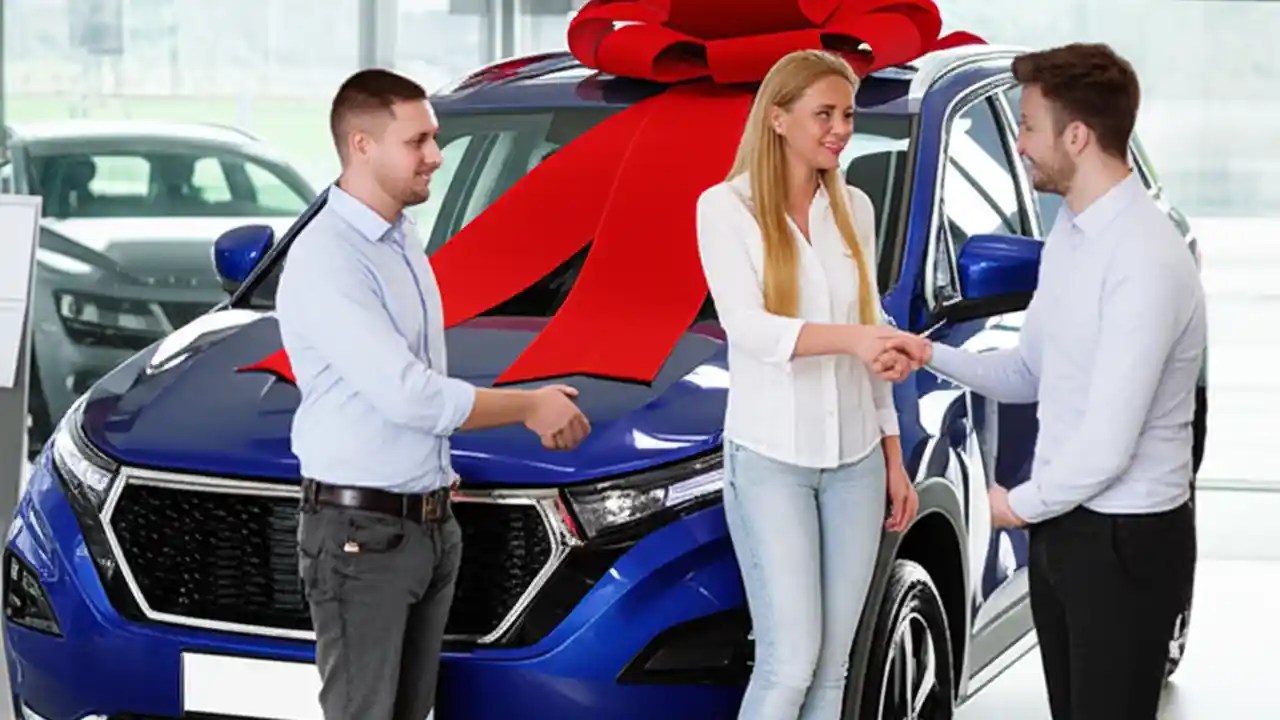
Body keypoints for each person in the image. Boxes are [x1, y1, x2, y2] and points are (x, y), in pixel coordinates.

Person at [897, 43, 1206, 720]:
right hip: (1068, 528)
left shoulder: (1144, 257)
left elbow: (1109, 443)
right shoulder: (1072, 232)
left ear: (1077, 135)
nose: (1018, 142)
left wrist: (1015, 506)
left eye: (1029, 125)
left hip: (1124, 537)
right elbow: (1027, 371)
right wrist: (924, 355)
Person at [275, 69, 592, 720]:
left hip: (424, 525)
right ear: (362, 145)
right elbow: (412, 397)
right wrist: (529, 404)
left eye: (436, 138)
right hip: (361, 538)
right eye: (417, 141)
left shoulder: (401, 241)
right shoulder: (329, 259)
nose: (435, 157)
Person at [694, 49, 926, 720]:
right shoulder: (724, 208)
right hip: (772, 461)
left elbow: (869, 323)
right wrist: (859, 339)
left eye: (847, 114)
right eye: (824, 113)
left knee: (834, 668)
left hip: (856, 461)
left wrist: (892, 455)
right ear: (777, 119)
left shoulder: (854, 205)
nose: (841, 129)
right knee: (789, 661)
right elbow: (751, 329)